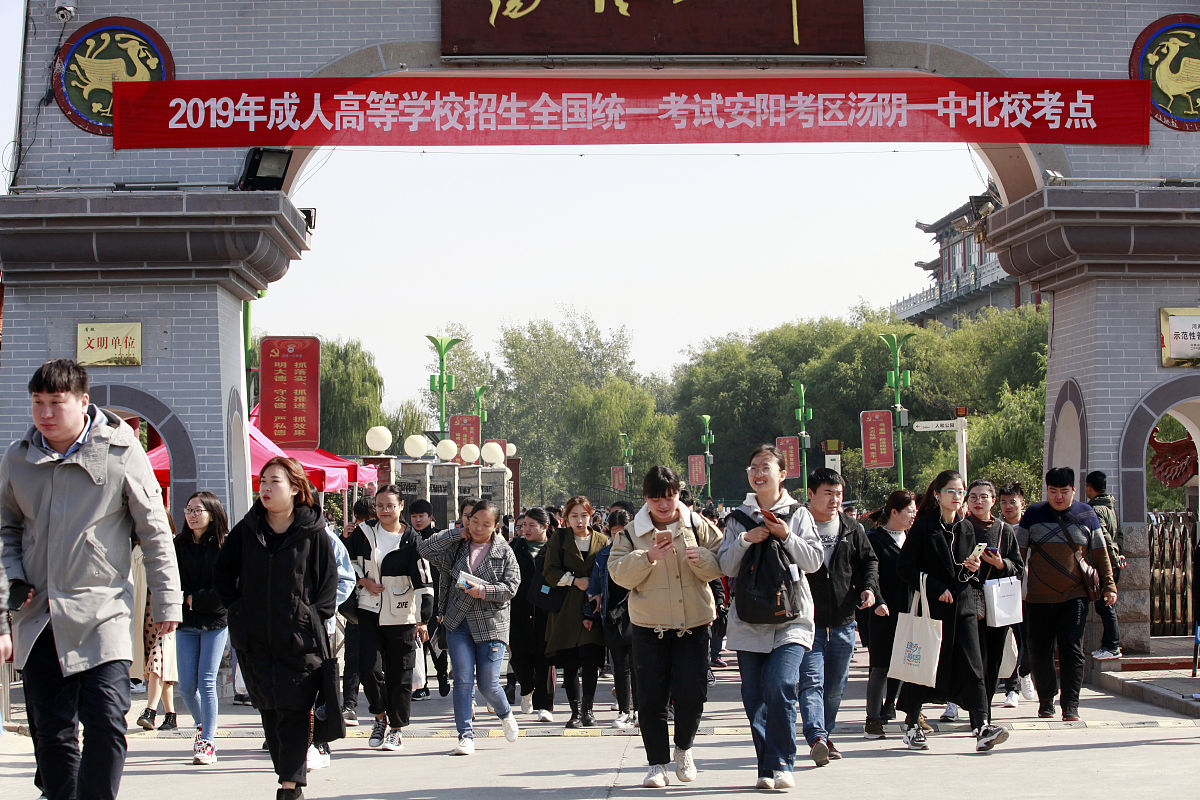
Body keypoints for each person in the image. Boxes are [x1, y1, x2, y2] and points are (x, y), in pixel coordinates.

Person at [0, 359, 182, 800]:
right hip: (39, 614)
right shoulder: (18, 458)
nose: (45, 413)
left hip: (105, 611)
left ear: (83, 402)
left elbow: (154, 528)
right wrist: (10, 584)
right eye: (37, 403)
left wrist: (168, 600)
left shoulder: (120, 451)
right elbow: (5, 529)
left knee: (107, 718)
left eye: (55, 403)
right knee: (53, 732)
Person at [214, 457, 338, 800]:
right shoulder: (247, 529)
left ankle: (288, 787)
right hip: (255, 639)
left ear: (295, 489)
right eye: (263, 481)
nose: (265, 488)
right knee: (270, 710)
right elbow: (222, 573)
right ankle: (291, 779)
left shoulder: (314, 534)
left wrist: (311, 616)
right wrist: (238, 610)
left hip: (300, 642)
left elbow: (328, 584)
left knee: (293, 709)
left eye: (274, 482)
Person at [610, 466, 724, 789]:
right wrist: (647, 557)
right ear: (646, 498)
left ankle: (684, 747)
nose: (664, 504)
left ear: (678, 494)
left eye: (670, 496)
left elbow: (721, 561)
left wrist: (699, 558)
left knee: (692, 693)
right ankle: (656, 763)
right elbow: (618, 573)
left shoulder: (696, 524)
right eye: (657, 498)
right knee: (651, 698)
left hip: (694, 623)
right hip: (650, 627)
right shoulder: (632, 532)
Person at [718, 444, 823, 791]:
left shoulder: (799, 515)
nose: (759, 473)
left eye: (766, 467)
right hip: (748, 621)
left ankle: (782, 762)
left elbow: (813, 562)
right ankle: (766, 765)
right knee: (754, 696)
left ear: (782, 473)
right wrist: (747, 539)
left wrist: (785, 535)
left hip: (792, 617)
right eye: (753, 467)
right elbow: (726, 566)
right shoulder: (736, 519)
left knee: (780, 685)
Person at [896, 470, 1010, 753]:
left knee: (974, 665)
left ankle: (982, 726)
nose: (958, 498)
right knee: (926, 666)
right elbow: (905, 568)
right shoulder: (924, 527)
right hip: (932, 608)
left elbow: (966, 571)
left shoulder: (966, 527)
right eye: (951, 492)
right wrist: (935, 587)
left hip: (964, 605)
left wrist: (971, 569)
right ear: (937, 495)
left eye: (961, 492)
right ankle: (912, 724)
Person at [417, 498, 521, 756]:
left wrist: (484, 591)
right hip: (458, 621)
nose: (478, 527)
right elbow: (425, 550)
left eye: (486, 524)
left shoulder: (505, 551)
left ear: (496, 526)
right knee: (463, 681)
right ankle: (465, 735)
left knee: (488, 684)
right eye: (474, 521)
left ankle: (505, 713)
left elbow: (512, 587)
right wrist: (454, 533)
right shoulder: (456, 546)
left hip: (491, 624)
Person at [1017, 467, 1117, 722]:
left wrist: (1109, 586)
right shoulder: (1033, 515)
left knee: (1071, 648)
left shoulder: (1087, 514)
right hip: (1037, 597)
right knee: (1039, 650)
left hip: (1075, 596)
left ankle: (1071, 704)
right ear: (1046, 490)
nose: (1058, 497)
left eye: (1064, 491)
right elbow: (1018, 552)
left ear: (1074, 490)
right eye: (1053, 491)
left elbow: (1100, 554)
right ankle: (1046, 699)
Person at [797, 468, 878, 764]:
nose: (834, 500)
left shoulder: (851, 527)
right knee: (812, 681)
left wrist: (868, 589)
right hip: (807, 620)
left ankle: (825, 735)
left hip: (844, 620)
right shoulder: (797, 526)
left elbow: (868, 561)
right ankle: (816, 736)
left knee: (834, 686)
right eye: (828, 493)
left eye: (839, 494)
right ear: (811, 494)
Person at [346, 484, 433, 752]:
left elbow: (423, 580)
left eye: (390, 506)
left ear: (401, 507)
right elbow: (346, 561)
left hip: (401, 614)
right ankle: (380, 717)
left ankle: (396, 729)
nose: (385, 510)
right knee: (368, 669)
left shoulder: (412, 540)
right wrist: (363, 581)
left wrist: (423, 618)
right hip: (368, 610)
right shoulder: (363, 532)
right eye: (380, 506)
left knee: (400, 675)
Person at [543, 495, 609, 728]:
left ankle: (588, 710)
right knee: (570, 662)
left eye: (584, 515)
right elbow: (549, 572)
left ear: (591, 516)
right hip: (566, 608)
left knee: (591, 659)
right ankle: (575, 711)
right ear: (566, 518)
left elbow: (610, 572)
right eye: (574, 516)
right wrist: (573, 580)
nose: (579, 521)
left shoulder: (602, 541)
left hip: (593, 608)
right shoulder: (559, 539)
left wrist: (597, 588)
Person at [174, 491, 230, 766]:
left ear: (212, 513)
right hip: (185, 621)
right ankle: (201, 725)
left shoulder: (222, 545)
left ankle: (208, 741)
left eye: (198, 510)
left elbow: (227, 585)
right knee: (186, 685)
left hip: (214, 621)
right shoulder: (179, 543)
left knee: (206, 681)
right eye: (188, 510)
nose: (192, 515)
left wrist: (197, 598)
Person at [962, 479, 1025, 722]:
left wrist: (1000, 564)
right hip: (967, 600)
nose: (979, 502)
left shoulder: (1003, 530)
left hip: (996, 602)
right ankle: (972, 709)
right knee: (972, 659)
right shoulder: (960, 528)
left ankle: (984, 709)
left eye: (984, 497)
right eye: (974, 497)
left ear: (992, 501)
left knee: (993, 657)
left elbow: (1017, 567)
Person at [863, 489, 917, 738]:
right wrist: (878, 602)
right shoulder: (874, 538)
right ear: (894, 512)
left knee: (908, 663)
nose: (913, 515)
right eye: (909, 511)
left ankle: (899, 709)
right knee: (881, 665)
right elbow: (870, 574)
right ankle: (873, 717)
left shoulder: (913, 538)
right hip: (882, 611)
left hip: (911, 610)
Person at [585, 508, 638, 729]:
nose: (619, 538)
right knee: (620, 666)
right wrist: (589, 611)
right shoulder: (604, 555)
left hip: (638, 615)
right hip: (612, 616)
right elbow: (594, 587)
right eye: (615, 533)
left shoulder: (641, 552)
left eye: (623, 533)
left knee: (639, 666)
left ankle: (641, 710)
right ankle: (625, 710)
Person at [509, 508, 558, 722]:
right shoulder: (514, 548)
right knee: (519, 655)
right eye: (523, 525)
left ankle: (545, 705)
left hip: (547, 610)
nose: (525, 529)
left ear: (545, 527)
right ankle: (526, 688)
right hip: (519, 608)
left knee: (545, 658)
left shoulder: (555, 548)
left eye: (531, 525)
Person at [133, 533, 180, 733]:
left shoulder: (172, 547)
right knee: (160, 670)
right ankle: (171, 715)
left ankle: (150, 711)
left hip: (166, 617)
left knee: (157, 662)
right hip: (143, 617)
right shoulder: (136, 550)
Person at [997, 482, 1036, 702]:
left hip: (1030, 591)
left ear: (1022, 502)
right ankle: (1012, 689)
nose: (1008, 506)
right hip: (1003, 592)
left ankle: (1025, 673)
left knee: (1029, 640)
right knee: (1007, 641)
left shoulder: (1031, 527)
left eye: (1012, 501)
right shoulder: (997, 529)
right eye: (1004, 502)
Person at [408, 498, 449, 699]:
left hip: (437, 596)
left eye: (421, 516)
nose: (417, 520)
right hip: (416, 597)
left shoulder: (439, 538)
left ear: (430, 517)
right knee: (419, 643)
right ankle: (421, 685)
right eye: (414, 517)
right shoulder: (406, 537)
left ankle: (442, 673)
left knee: (435, 640)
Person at [339, 496, 375, 721]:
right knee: (352, 658)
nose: (363, 525)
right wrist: (344, 539)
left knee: (376, 661)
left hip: (382, 607)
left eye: (367, 520)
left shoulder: (384, 536)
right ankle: (349, 704)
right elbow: (340, 566)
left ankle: (380, 704)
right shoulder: (348, 539)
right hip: (356, 609)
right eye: (359, 520)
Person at [1085, 470, 1125, 659]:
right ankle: (1110, 645)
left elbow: (1104, 538)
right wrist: (1120, 553)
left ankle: (1112, 646)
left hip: (1105, 564)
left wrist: (1112, 559)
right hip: (1113, 561)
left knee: (1105, 605)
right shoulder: (1110, 508)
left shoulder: (1094, 510)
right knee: (1106, 605)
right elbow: (1119, 535)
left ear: (1089, 487)